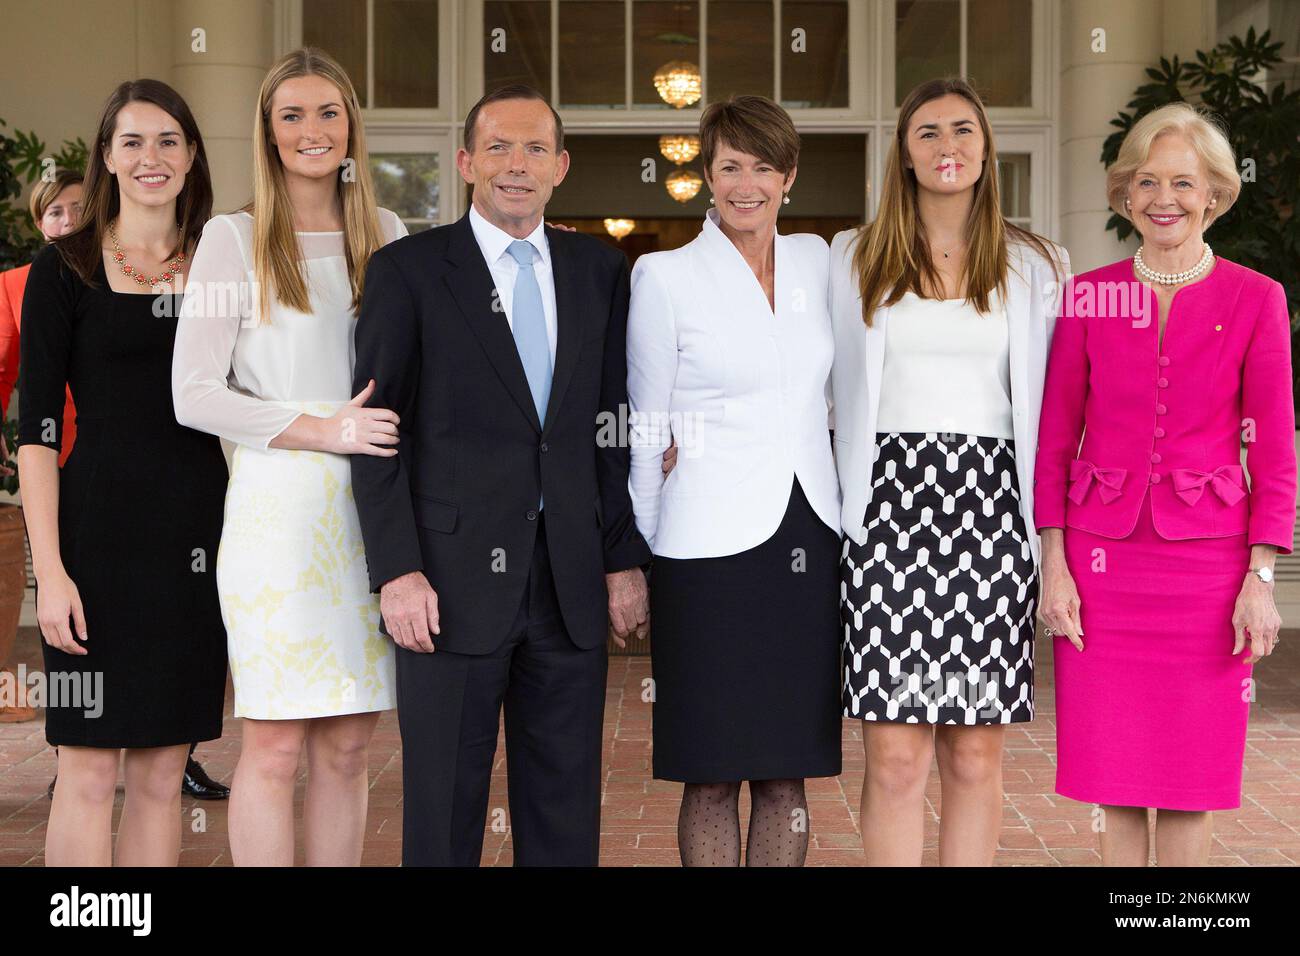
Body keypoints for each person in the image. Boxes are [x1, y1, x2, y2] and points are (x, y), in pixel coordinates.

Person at [350, 83, 651, 867]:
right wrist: (398, 571)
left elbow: (608, 428)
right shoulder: (407, 272)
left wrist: (621, 558)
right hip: (445, 586)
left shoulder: (599, 271)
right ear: (465, 161)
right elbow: (377, 437)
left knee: (563, 816)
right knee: (445, 814)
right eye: (498, 147)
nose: (516, 165)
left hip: (570, 581)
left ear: (561, 166)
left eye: (535, 149)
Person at [1035, 102, 1295, 866]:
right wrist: (1054, 564)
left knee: (1192, 778)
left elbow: (1276, 452)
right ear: (1125, 194)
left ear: (1213, 192)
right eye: (1146, 181)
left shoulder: (1257, 298)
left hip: (1209, 573)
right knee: (1115, 777)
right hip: (1102, 568)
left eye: (1183, 181)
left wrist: (1260, 575)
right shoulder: (1090, 295)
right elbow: (1055, 441)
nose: (1164, 198)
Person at [173, 48, 404, 866]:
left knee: (347, 751)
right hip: (277, 520)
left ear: (351, 129)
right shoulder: (232, 240)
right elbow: (193, 394)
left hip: (375, 518)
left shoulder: (391, 238)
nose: (312, 131)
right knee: (271, 749)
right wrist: (323, 428)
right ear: (269, 135)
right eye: (291, 115)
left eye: (328, 113)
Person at [829, 77, 1066, 865]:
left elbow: (1065, 407)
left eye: (964, 129)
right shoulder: (852, 257)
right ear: (903, 153)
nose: (947, 146)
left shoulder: (1039, 266)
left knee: (973, 754)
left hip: (994, 517)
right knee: (896, 757)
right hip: (888, 515)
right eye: (927, 132)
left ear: (987, 147)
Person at [626, 95, 842, 867]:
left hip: (810, 537)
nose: (745, 184)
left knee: (788, 771)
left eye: (761, 167)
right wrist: (641, 553)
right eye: (728, 167)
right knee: (711, 774)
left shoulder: (824, 260)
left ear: (788, 175)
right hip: (703, 552)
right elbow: (646, 426)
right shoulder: (664, 275)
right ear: (706, 178)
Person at [17, 79, 228, 866]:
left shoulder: (222, 261)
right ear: (106, 156)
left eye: (168, 140)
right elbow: (36, 433)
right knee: (86, 767)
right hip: (93, 545)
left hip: (197, 545)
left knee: (163, 769)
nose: (151, 157)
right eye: (132, 141)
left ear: (192, 154)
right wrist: (53, 574)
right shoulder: (62, 267)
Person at [0, 169, 82, 725]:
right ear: (39, 221)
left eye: (79, 208)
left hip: (136, 452)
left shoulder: (125, 274)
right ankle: (73, 748)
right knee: (66, 599)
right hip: (55, 458)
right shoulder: (14, 285)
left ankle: (181, 751)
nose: (68, 220)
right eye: (56, 211)